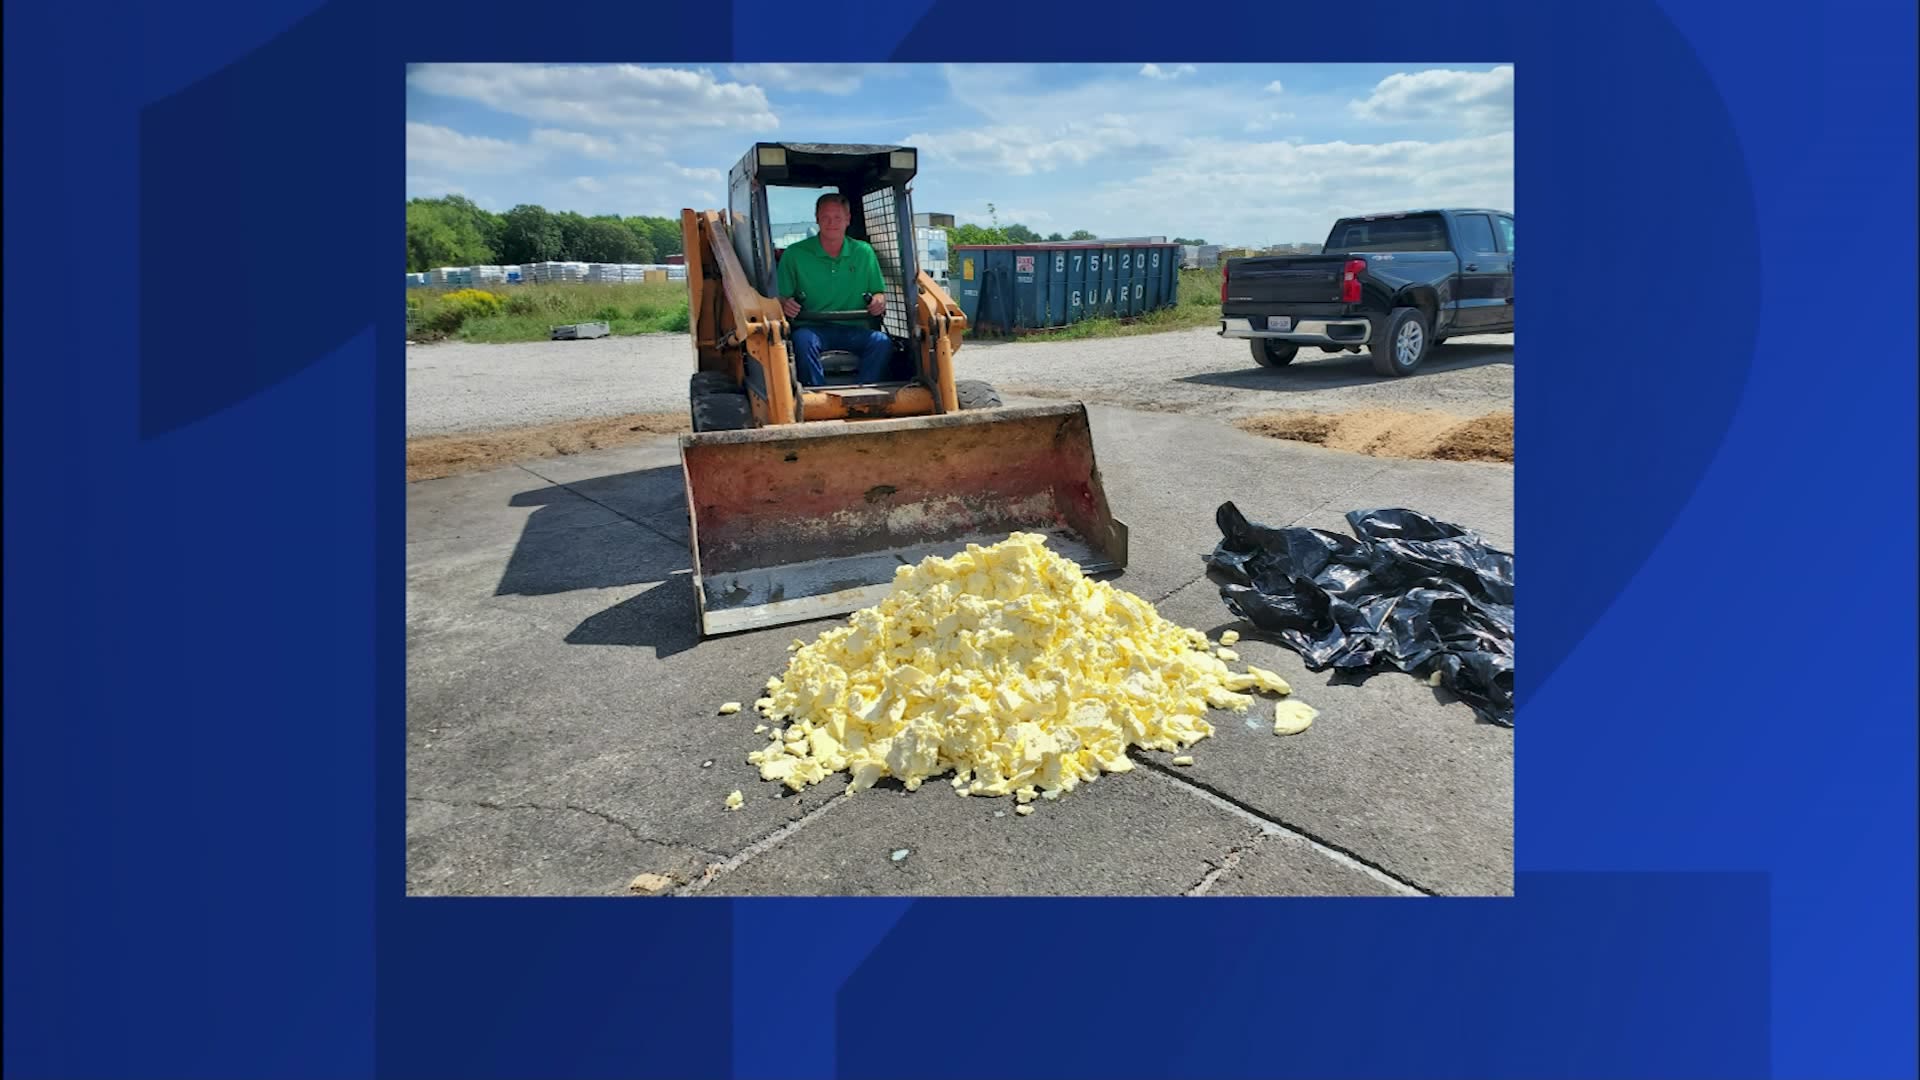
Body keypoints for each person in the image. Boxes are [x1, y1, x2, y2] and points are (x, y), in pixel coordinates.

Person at [775, 193, 894, 385]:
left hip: (855, 328)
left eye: (837, 217)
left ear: (848, 219)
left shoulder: (864, 252)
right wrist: (785, 304)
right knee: (803, 341)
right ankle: (817, 397)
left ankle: (863, 395)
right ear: (817, 219)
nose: (832, 223)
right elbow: (781, 298)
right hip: (813, 328)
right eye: (825, 217)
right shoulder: (795, 254)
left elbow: (878, 291)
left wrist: (879, 300)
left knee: (882, 342)